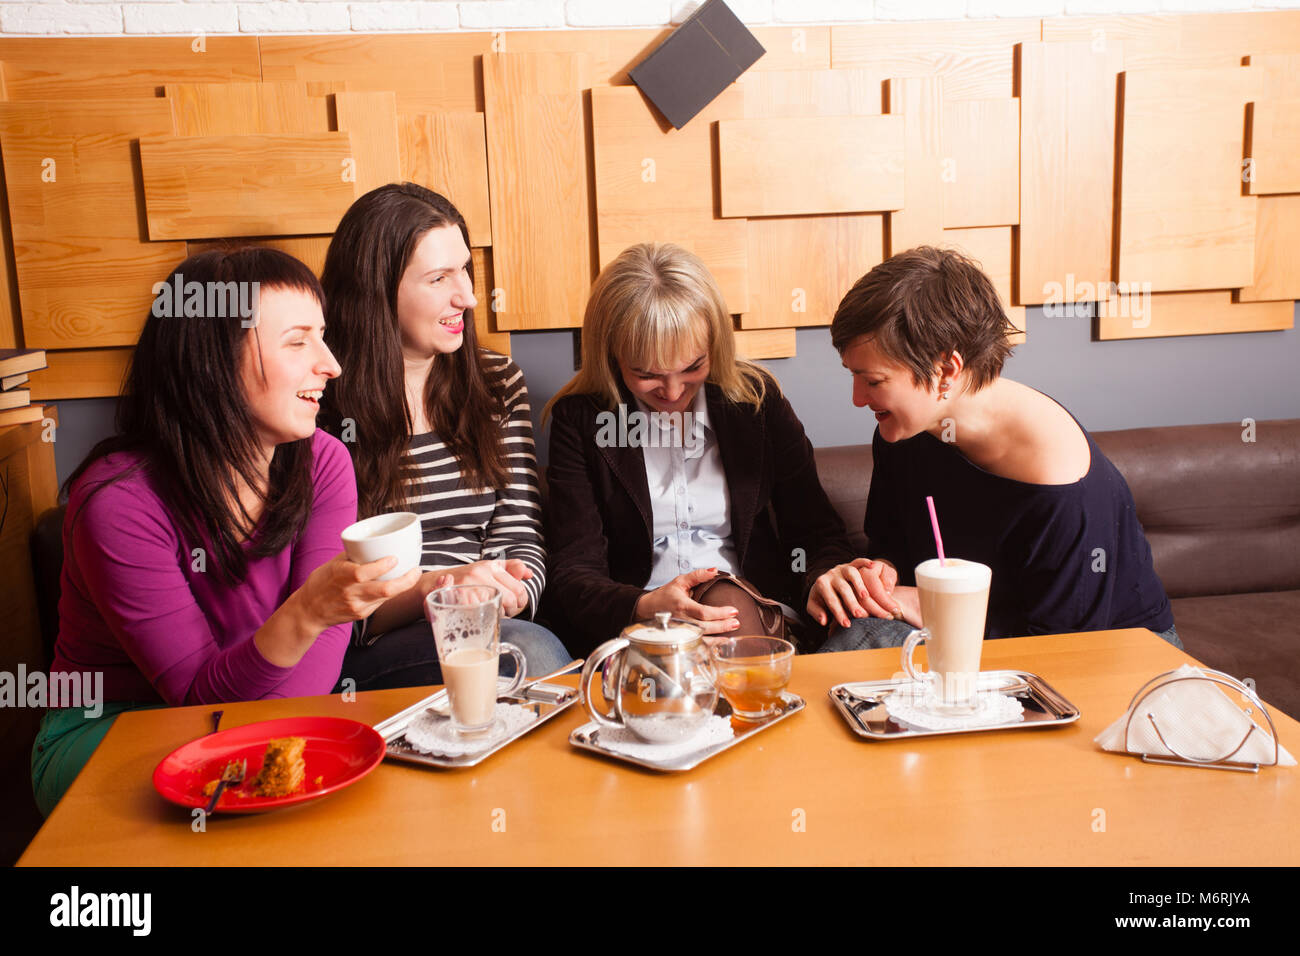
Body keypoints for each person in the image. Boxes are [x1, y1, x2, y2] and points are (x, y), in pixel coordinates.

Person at [33, 248, 418, 816]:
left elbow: (314, 674)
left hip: (267, 712)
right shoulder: (117, 502)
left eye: (323, 335)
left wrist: (316, 624)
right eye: (297, 341)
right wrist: (307, 613)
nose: (331, 364)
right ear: (213, 361)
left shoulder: (324, 462)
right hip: (115, 728)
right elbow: (191, 697)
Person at [813, 246, 1178, 651]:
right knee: (858, 632)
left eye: (874, 381)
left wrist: (934, 606)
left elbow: (1064, 651)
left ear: (947, 369)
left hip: (1109, 653)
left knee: (865, 637)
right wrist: (875, 576)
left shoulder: (1060, 482)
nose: (857, 399)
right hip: (968, 629)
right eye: (853, 376)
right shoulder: (904, 431)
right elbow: (891, 547)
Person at [540, 242, 854, 656]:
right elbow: (575, 572)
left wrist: (818, 577)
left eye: (692, 368)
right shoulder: (581, 420)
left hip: (750, 610)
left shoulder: (757, 403)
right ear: (612, 356)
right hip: (637, 624)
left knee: (726, 605)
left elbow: (815, 532)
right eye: (647, 374)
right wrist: (646, 606)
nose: (672, 393)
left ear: (715, 344)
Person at [319, 183, 571, 690]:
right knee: (532, 653)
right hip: (379, 637)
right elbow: (324, 591)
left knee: (531, 646)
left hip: (496, 619)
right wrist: (440, 590)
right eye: (439, 278)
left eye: (465, 270)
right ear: (377, 290)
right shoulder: (319, 400)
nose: (468, 297)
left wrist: (512, 591)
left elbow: (521, 531)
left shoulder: (498, 383)